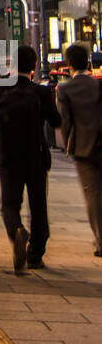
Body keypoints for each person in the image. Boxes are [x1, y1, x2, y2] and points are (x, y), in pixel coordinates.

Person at [0, 44, 60, 273]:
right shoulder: (41, 92)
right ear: (33, 66)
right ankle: (35, 255)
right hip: (36, 155)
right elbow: (55, 122)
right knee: (38, 205)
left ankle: (16, 230)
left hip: (9, 154)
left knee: (10, 204)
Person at [56, 43, 102, 259]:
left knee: (92, 194)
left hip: (83, 149)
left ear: (68, 64)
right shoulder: (99, 86)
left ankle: (101, 241)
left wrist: (68, 145)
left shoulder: (65, 89)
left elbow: (65, 122)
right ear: (88, 62)